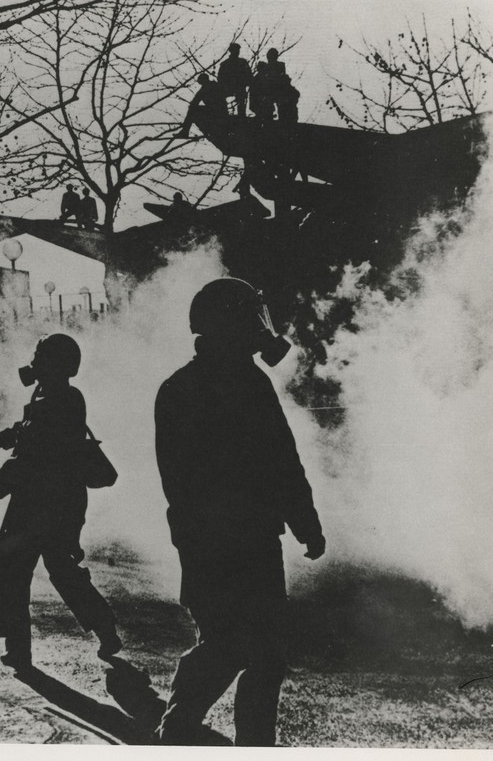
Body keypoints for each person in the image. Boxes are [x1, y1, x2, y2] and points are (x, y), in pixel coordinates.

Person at [153, 278, 325, 746]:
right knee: (247, 649)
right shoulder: (245, 384)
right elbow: (282, 463)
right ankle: (186, 731)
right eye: (249, 318)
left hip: (213, 542)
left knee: (245, 647)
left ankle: (208, 735)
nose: (258, 330)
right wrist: (304, 521)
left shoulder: (179, 387)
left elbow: (179, 480)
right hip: (241, 542)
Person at [0, 334, 121, 670]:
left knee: (14, 571)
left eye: (39, 357)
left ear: (53, 365)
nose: (32, 364)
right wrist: (2, 437)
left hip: (41, 506)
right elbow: (26, 431)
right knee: (60, 570)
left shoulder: (54, 401)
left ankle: (20, 651)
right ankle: (104, 628)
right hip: (63, 503)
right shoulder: (58, 396)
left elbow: (21, 465)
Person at [217, 43, 253, 117]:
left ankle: (241, 118)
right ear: (231, 51)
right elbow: (220, 79)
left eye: (238, 50)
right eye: (236, 50)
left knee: (241, 109)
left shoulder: (243, 63)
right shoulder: (225, 64)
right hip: (229, 91)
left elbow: (249, 76)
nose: (237, 52)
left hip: (240, 90)